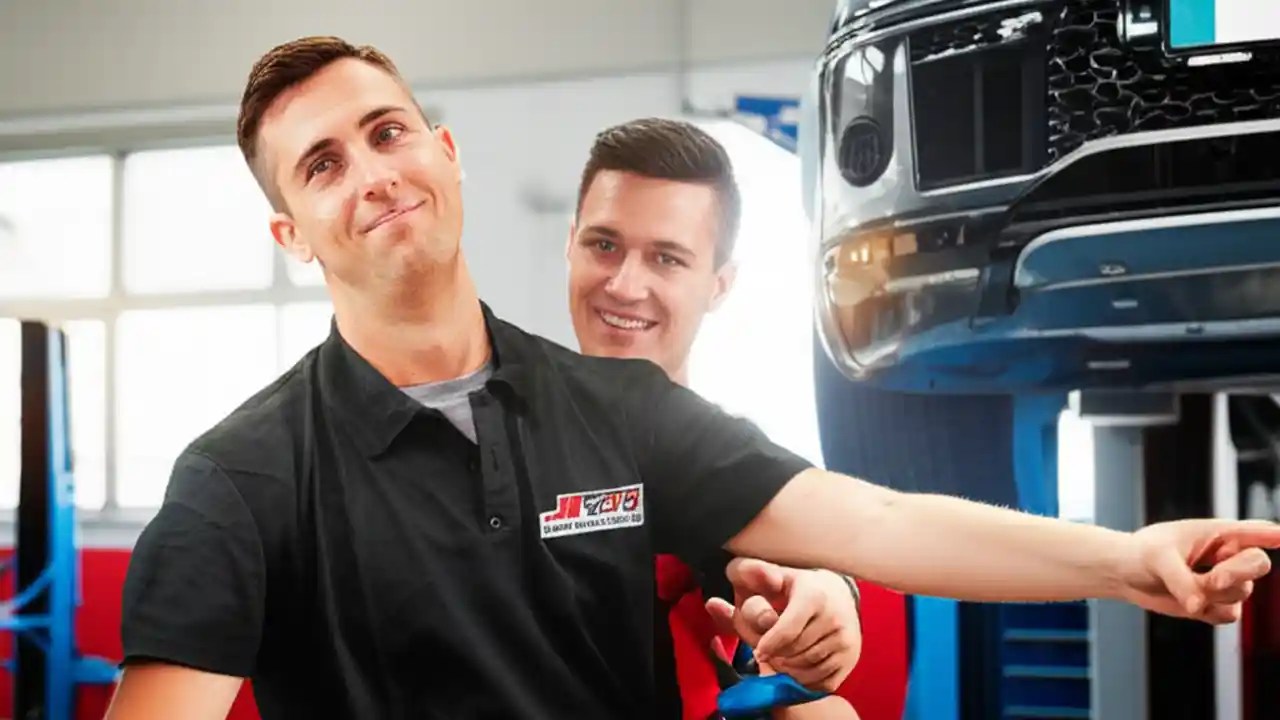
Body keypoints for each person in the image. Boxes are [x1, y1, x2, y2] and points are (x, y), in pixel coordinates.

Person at [106, 35, 1280, 720]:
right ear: (291, 237)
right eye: (320, 163)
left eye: (388, 130)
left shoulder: (622, 412)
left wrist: (1126, 563)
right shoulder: (240, 480)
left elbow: (874, 519)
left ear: (443, 154)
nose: (371, 171)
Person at [565, 117, 867, 719]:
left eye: (667, 259)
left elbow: (803, 559)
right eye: (604, 245)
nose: (625, 285)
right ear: (568, 245)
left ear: (719, 285)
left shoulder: (725, 466)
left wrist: (831, 597)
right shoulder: (491, 434)